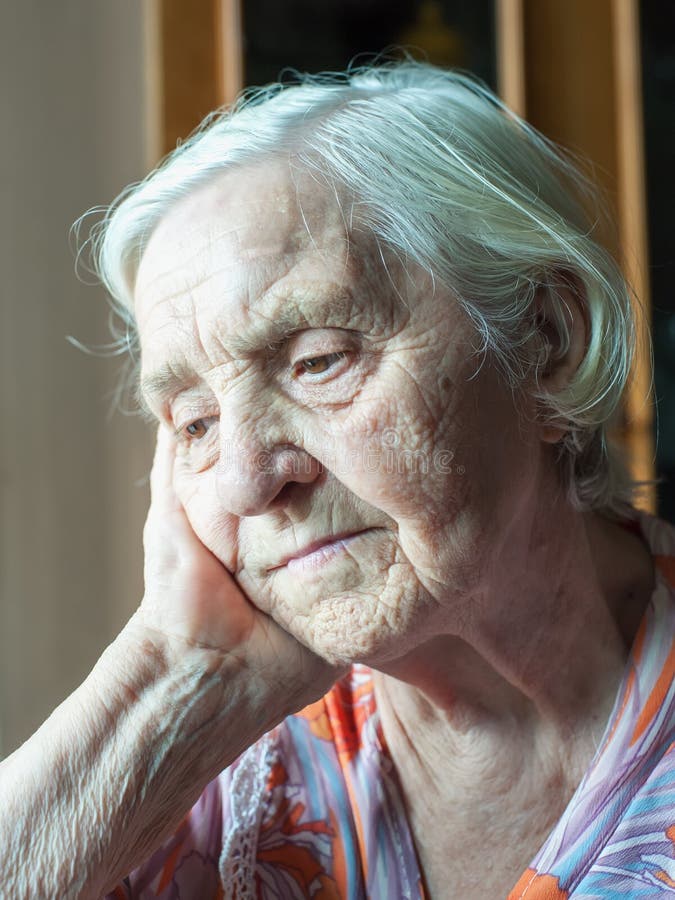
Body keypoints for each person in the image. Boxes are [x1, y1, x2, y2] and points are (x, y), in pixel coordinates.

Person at [2, 61, 674, 899]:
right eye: (197, 423)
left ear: (544, 341)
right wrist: (171, 679)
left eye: (318, 360)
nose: (248, 481)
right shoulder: (204, 766)